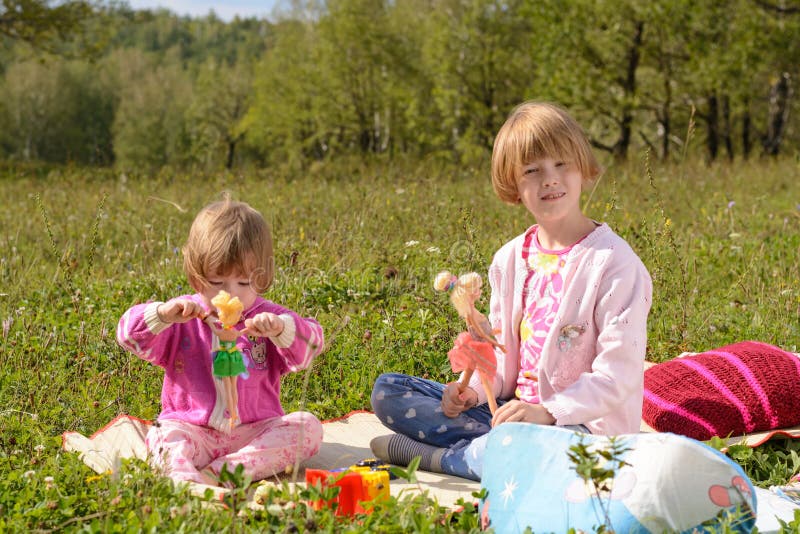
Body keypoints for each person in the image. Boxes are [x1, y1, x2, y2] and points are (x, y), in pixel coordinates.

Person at [370, 101, 652, 481]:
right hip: (510, 413)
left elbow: (617, 377)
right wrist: (472, 393)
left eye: (561, 164)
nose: (550, 179)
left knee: (535, 453)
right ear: (514, 185)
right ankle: (487, 450)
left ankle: (445, 458)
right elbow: (505, 362)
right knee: (388, 391)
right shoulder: (509, 260)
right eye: (532, 171)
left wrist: (546, 413)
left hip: (584, 431)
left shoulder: (614, 263)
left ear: (583, 168)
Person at [116, 196, 324, 486]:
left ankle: (225, 472)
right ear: (196, 276)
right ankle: (187, 485)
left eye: (244, 283)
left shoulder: (269, 317)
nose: (232, 293)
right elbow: (127, 335)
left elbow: (311, 347)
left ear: (262, 278)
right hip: (194, 429)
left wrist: (282, 330)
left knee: (308, 427)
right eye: (216, 283)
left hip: (255, 432)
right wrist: (161, 315)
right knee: (163, 436)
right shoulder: (182, 315)